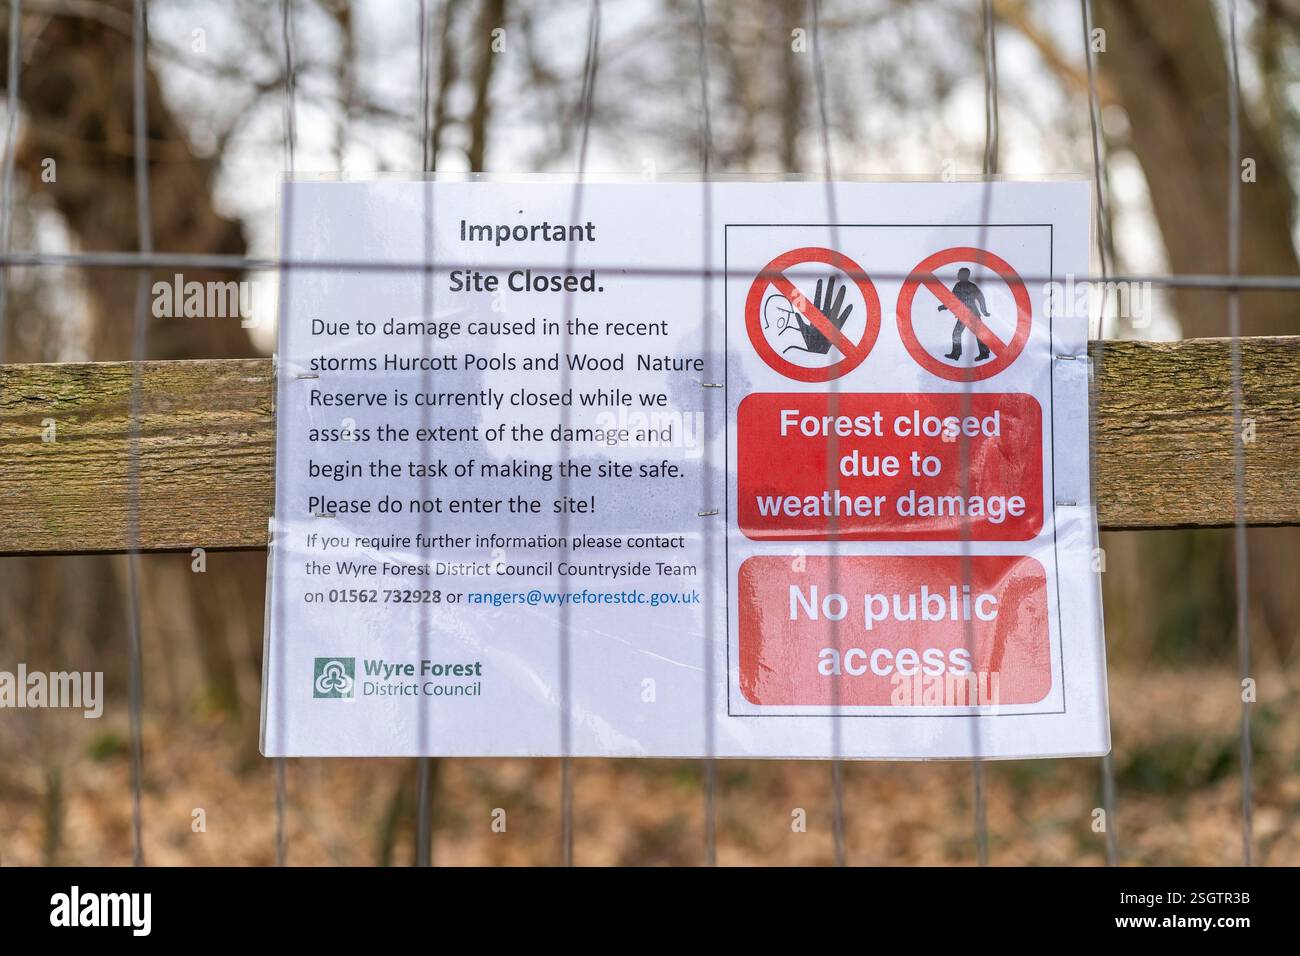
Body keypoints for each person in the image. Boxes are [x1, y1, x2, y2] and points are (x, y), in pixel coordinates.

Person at [938, 267, 991, 361]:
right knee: (965, 333)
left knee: (958, 333)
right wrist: (984, 311)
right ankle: (982, 353)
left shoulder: (959, 286)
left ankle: (958, 354)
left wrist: (984, 311)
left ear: (964, 275)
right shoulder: (970, 286)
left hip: (967, 314)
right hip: (969, 314)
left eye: (959, 273)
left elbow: (951, 300)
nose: (957, 275)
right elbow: (980, 298)